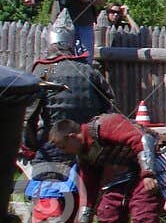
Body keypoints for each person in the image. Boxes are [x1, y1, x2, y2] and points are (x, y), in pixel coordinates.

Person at [52, 113, 166, 223]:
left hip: (151, 166)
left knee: (143, 215)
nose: (64, 152)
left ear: (72, 137)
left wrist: (148, 173)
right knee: (108, 212)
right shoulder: (85, 154)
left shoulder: (105, 124)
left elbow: (142, 140)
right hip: (123, 175)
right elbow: (88, 188)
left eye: (63, 147)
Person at [23, 11, 116, 159]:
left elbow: (29, 117)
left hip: (55, 144)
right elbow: (108, 106)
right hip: (87, 144)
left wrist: (30, 146)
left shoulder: (43, 70)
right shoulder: (88, 70)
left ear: (51, 43)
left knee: (44, 178)